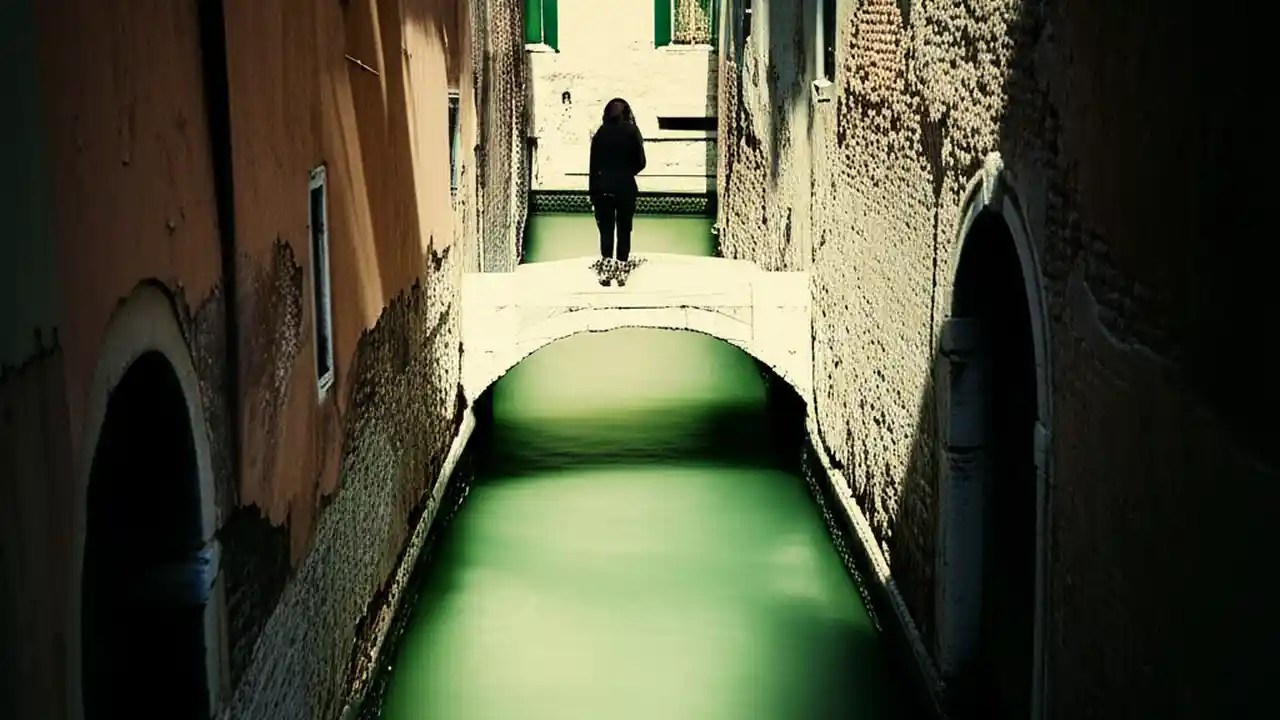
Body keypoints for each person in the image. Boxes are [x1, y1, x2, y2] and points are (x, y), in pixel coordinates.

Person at [589, 98, 646, 286]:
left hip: (602, 189)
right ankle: (621, 272)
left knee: (606, 230)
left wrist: (593, 194)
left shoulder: (600, 133)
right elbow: (641, 162)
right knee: (624, 229)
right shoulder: (632, 131)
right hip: (625, 188)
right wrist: (627, 171)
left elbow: (593, 167)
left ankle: (606, 271)